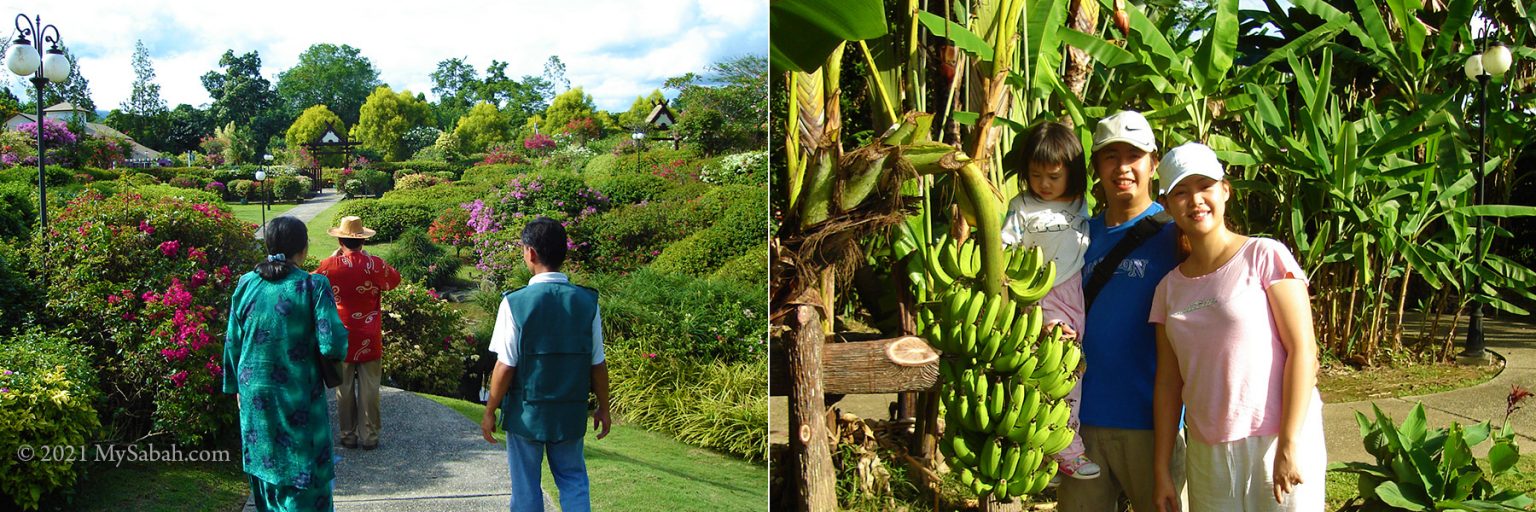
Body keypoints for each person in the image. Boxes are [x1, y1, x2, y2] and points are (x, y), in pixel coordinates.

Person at [1149, 143, 1325, 511]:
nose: (1195, 200)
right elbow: (1168, 383)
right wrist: (1161, 469)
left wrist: (1290, 443)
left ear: (1225, 190)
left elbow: (1304, 352)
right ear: (1166, 205)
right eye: (1181, 192)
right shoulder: (1167, 289)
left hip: (1276, 439)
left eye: (1204, 186)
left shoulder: (1265, 255)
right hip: (1207, 452)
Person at [1057, 110, 1187, 512]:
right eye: (1111, 156)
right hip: (1081, 425)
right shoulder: (1074, 236)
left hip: (1153, 424)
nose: (1123, 167)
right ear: (1096, 167)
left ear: (1152, 163)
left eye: (1134, 155)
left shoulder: (1177, 233)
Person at [479, 217, 613, 512]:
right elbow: (597, 363)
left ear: (530, 253)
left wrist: (490, 409)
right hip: (569, 412)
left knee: (526, 487)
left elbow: (506, 365)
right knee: (574, 480)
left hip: (527, 413)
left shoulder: (515, 302)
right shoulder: (587, 301)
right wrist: (604, 406)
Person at [223, 216, 349, 511]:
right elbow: (332, 343)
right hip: (296, 398)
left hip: (254, 397)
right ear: (303, 249)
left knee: (266, 473)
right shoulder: (313, 285)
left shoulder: (245, 284)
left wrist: (235, 389)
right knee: (301, 477)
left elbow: (232, 342)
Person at [999, 121, 1098, 480]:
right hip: (1035, 293)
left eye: (1053, 176)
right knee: (1036, 374)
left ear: (1071, 173)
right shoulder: (1021, 206)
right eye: (1036, 175)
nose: (1043, 184)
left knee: (1070, 373)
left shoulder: (1081, 206)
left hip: (1073, 293)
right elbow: (1004, 250)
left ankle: (1053, 448)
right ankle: (1060, 451)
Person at [313, 215, 401, 450]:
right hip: (369, 335)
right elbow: (394, 281)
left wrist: (333, 259)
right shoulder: (376, 264)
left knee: (344, 389)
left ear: (340, 240)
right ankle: (370, 436)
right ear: (362, 241)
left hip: (341, 336)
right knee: (370, 388)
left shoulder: (328, 266)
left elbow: (310, 285)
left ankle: (347, 435)